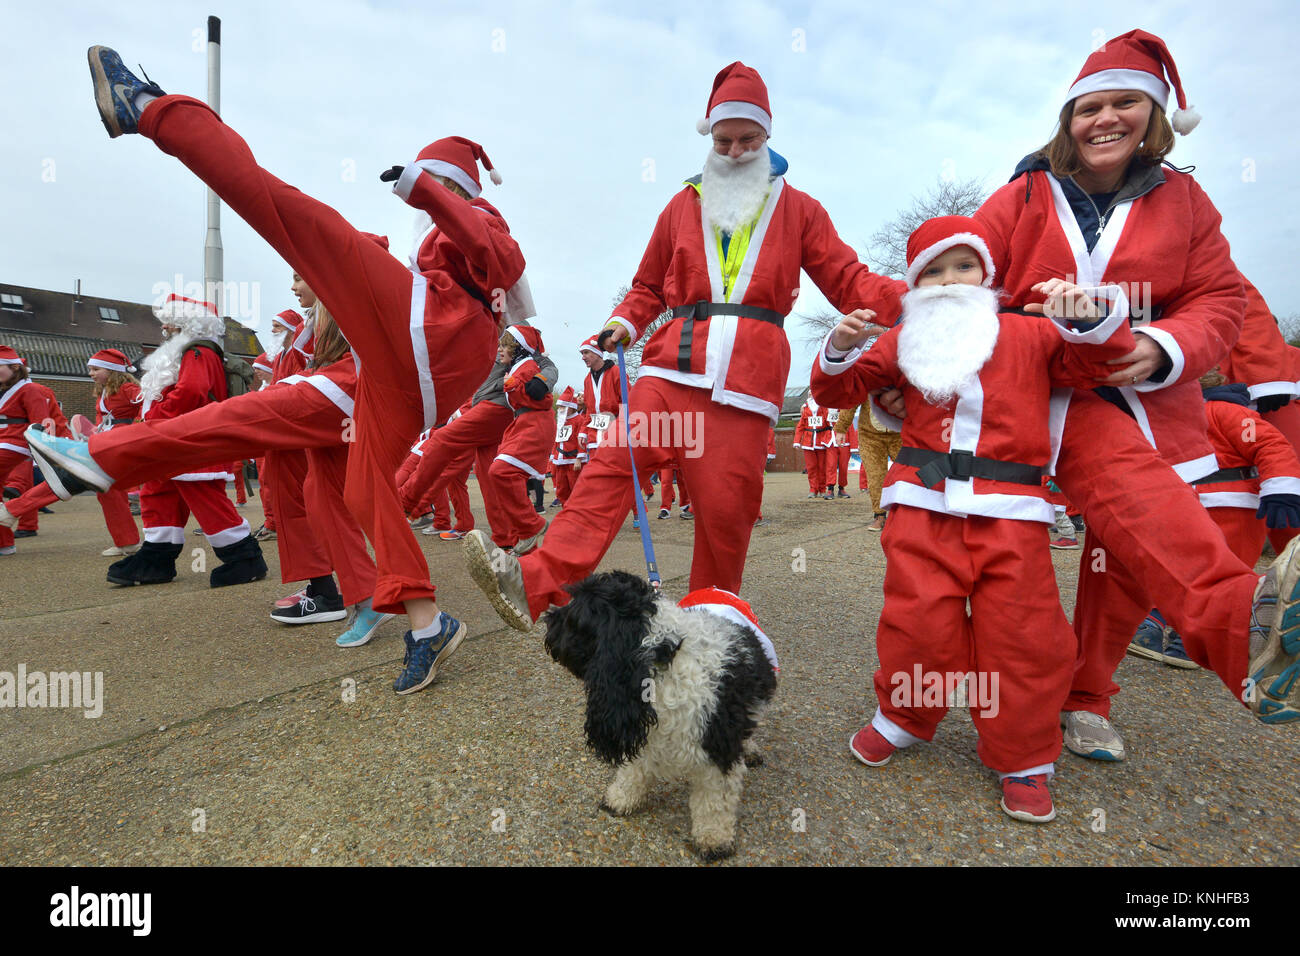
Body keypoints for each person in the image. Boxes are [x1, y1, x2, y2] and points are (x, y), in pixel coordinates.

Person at [49, 46, 528, 693]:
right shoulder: (421, 258)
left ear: (457, 188)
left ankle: (150, 109)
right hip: (403, 379)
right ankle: (426, 623)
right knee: (359, 492)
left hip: (430, 335)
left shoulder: (477, 228)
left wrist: (425, 189)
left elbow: (498, 255)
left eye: (440, 187)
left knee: (289, 214)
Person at [466, 61, 905, 631]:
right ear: (710, 139)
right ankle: (537, 582)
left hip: (747, 385)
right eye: (724, 140)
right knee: (611, 464)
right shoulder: (681, 205)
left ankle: (710, 628)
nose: (736, 150)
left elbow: (851, 279)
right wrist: (624, 320)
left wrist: (925, 298)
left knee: (727, 519)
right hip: (671, 369)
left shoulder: (801, 209)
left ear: (768, 137)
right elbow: (648, 286)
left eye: (749, 139)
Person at [961, 29, 1300, 748]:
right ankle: (1250, 631)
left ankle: (1090, 696)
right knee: (1143, 517)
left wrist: (1161, 345)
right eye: (1089, 107)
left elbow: (1220, 299)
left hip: (1148, 392)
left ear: (1154, 117)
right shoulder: (1024, 191)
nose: (1105, 119)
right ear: (1067, 120)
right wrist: (906, 358)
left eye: (1124, 103)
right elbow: (956, 270)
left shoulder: (1187, 200)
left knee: (1122, 573)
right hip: (1041, 387)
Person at [814, 215, 1138, 822]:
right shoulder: (903, 337)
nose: (948, 280)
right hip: (921, 507)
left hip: (1010, 514)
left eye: (962, 265)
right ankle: (904, 717)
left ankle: (1023, 756)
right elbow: (838, 391)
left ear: (986, 273)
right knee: (916, 625)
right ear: (914, 283)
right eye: (932, 271)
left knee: (1023, 636)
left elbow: (1097, 367)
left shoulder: (1030, 332)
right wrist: (837, 348)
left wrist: (1086, 318)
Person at [1130, 370, 1300, 668]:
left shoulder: (1226, 412)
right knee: (1180, 569)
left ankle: (1197, 634)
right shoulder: (1173, 413)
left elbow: (1270, 445)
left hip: (1233, 507)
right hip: (1188, 501)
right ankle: (1165, 625)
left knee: (1221, 571)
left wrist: (1281, 487)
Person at [0, 349, 143, 556]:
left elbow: (146, 407)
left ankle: (12, 510)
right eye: (90, 369)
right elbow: (100, 421)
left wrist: (135, 429)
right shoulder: (103, 392)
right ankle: (127, 542)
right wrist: (95, 434)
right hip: (106, 443)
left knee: (69, 478)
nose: (91, 373)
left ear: (113, 371)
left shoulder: (129, 388)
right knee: (108, 492)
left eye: (96, 369)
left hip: (120, 444)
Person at [485, 325, 558, 553]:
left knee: (501, 472)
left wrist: (517, 387)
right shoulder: (517, 367)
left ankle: (531, 525)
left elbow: (542, 397)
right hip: (523, 424)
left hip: (534, 424)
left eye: (505, 345)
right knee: (503, 477)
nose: (500, 349)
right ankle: (525, 547)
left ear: (517, 349)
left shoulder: (527, 367)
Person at [0, 346, 71, 556]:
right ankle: (4, 543)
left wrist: (42, 452)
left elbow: (40, 422)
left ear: (15, 367)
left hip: (17, 443)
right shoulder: (3, 390)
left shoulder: (30, 390)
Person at [838, 398, 900, 532]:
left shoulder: (905, 377)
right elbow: (850, 401)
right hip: (870, 435)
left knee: (909, 472)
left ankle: (911, 514)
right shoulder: (866, 377)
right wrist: (841, 428)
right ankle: (880, 515)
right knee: (875, 476)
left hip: (900, 432)